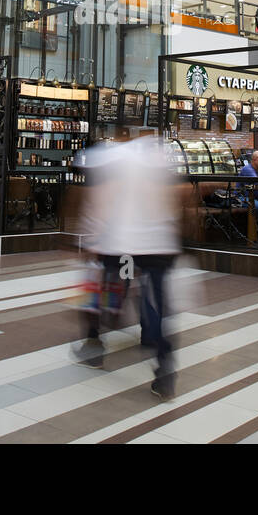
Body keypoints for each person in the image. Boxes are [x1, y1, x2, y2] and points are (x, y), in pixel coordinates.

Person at [75, 134, 183, 400]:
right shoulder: (156, 158)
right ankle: (164, 365)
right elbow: (174, 200)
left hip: (121, 245)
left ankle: (94, 345)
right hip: (158, 246)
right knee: (155, 300)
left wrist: (90, 240)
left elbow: (99, 203)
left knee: (100, 290)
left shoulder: (110, 159)